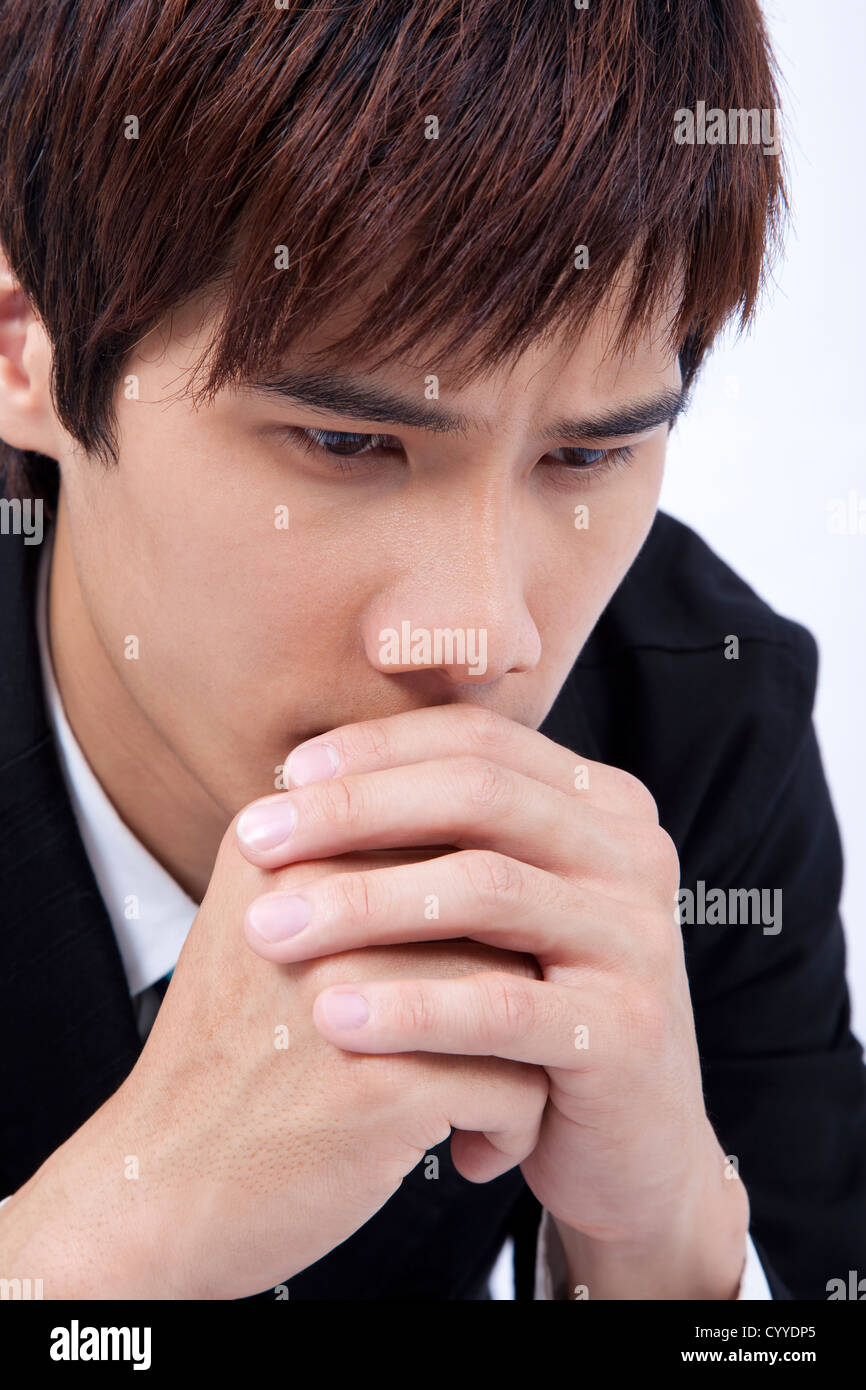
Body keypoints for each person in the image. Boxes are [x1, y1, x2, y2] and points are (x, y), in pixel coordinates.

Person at [0, 0, 863, 1301]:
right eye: (346, 444)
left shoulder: (703, 711)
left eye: (586, 454)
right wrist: (93, 1252)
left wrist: (660, 1237)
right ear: (25, 341)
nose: (486, 638)